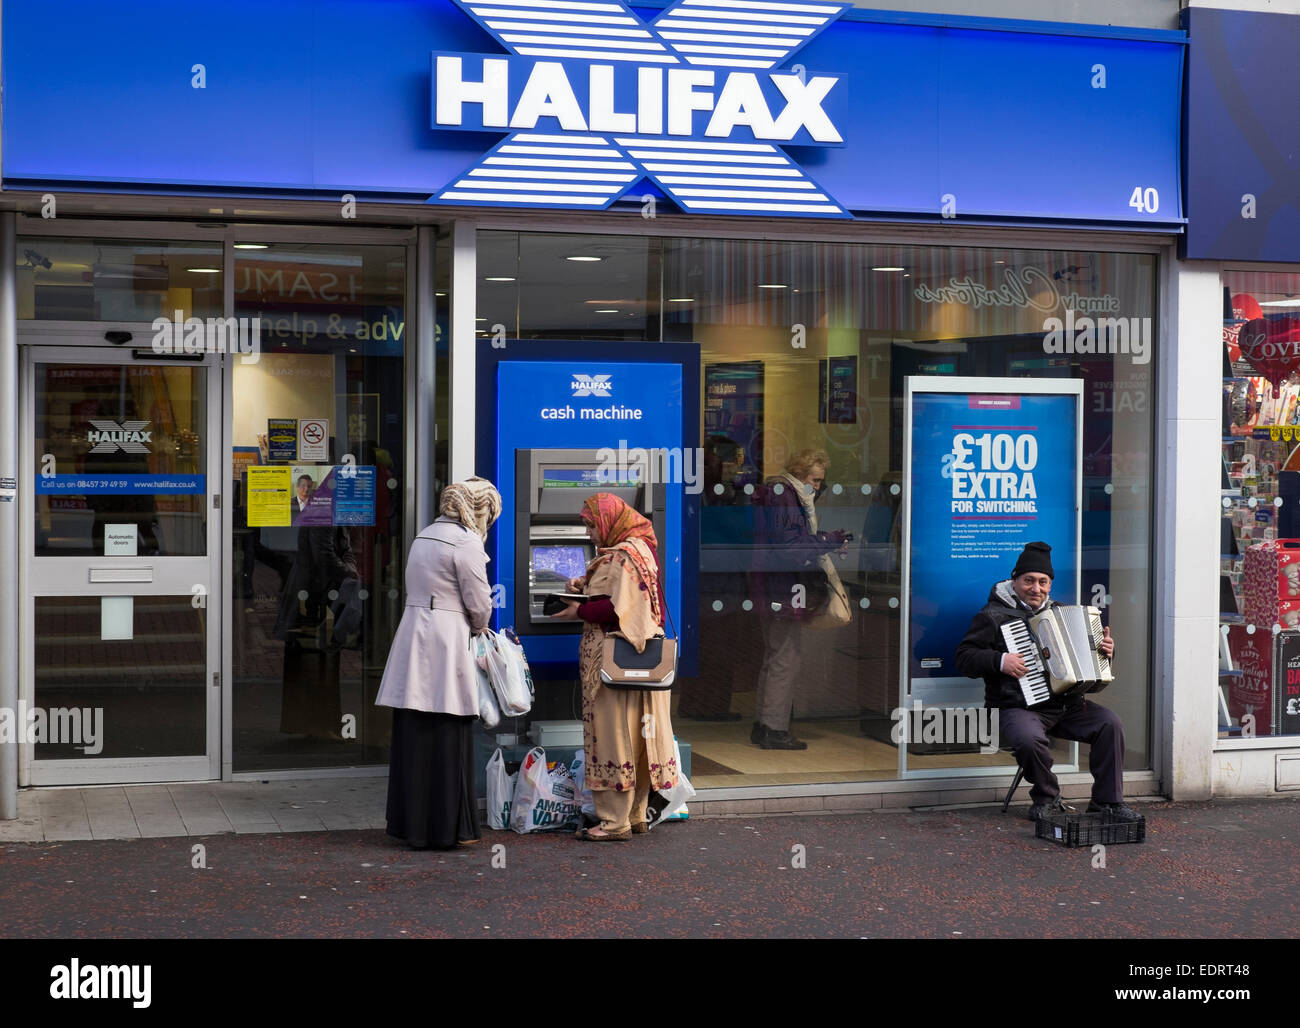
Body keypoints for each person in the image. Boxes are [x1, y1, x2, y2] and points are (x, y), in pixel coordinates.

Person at [954, 541, 1138, 822]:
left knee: (1109, 724)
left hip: (1065, 705)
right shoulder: (992, 615)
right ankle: (1047, 797)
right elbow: (964, 658)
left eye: (1042, 582)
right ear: (1014, 581)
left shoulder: (1062, 613)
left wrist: (1107, 651)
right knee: (1029, 739)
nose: (1035, 588)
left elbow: (1087, 660)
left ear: (1050, 585)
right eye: (1028, 580)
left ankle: (1107, 802)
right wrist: (1001, 661)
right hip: (1016, 707)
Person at [375, 477, 500, 850]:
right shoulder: (465, 542)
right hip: (446, 639)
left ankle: (410, 824)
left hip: (413, 634)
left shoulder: (425, 534)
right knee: (448, 733)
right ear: (478, 509)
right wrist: (480, 627)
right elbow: (480, 605)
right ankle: (447, 827)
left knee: (415, 730)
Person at [550, 493, 677, 841]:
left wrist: (579, 609)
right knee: (638, 739)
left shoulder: (623, 555)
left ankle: (612, 822)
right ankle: (636, 816)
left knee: (612, 738)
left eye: (591, 526)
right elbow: (621, 598)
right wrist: (584, 588)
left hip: (615, 663)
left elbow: (615, 611)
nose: (589, 534)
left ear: (608, 522)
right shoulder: (639, 549)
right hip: (642, 664)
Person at [749, 449, 851, 750]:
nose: (817, 487)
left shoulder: (776, 491)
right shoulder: (786, 496)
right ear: (800, 474)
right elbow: (791, 547)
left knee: (775, 656)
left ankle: (764, 723)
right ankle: (774, 728)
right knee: (786, 658)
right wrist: (828, 540)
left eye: (821, 482)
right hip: (783, 585)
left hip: (769, 584)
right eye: (815, 480)